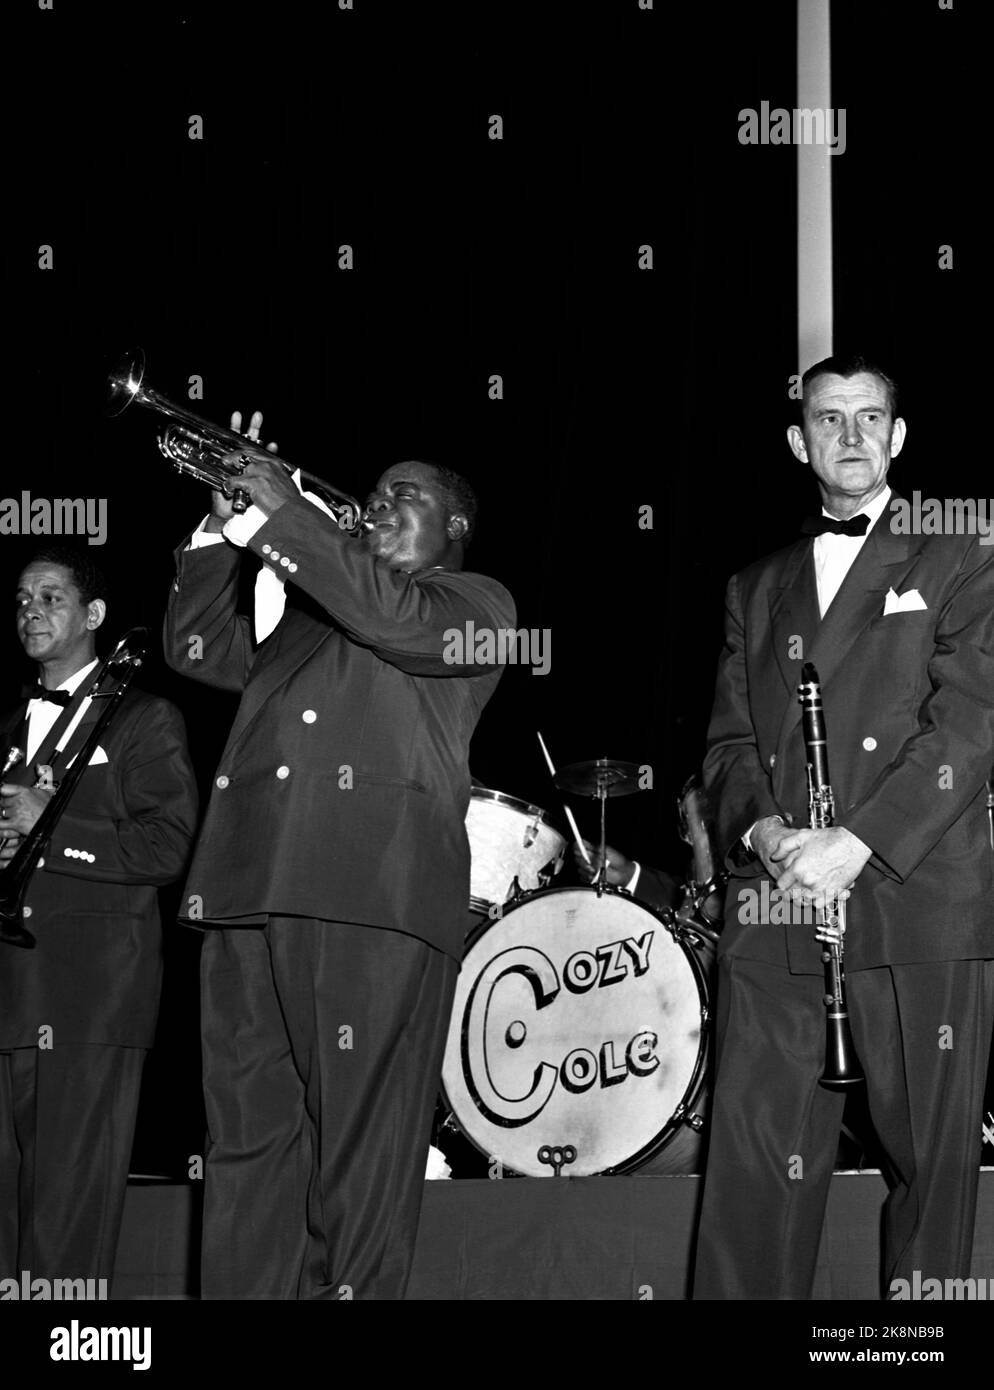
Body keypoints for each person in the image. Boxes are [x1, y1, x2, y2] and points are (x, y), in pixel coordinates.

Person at [164, 418, 515, 1299]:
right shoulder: (309, 620)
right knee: (245, 1148)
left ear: (456, 528)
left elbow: (388, 615)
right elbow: (195, 650)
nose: (376, 504)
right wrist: (223, 529)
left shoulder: (478, 607)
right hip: (248, 894)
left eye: (407, 495)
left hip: (371, 902)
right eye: (374, 493)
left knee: (360, 1154)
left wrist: (281, 513)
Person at [692, 354, 994, 1299]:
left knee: (931, 1169)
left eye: (871, 418)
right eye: (830, 419)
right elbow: (730, 746)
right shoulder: (754, 583)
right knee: (754, 1170)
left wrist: (852, 843)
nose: (852, 436)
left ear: (899, 438)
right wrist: (770, 840)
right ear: (800, 441)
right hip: (780, 902)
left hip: (914, 893)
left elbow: (974, 718)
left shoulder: (965, 545)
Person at [0, 544, 198, 1285]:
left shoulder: (144, 718)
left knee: (66, 1224)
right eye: (22, 599)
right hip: (10, 994)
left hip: (88, 1002)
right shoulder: (10, 720)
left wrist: (52, 826)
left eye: (51, 597)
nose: (31, 611)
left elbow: (169, 846)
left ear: (94, 616)